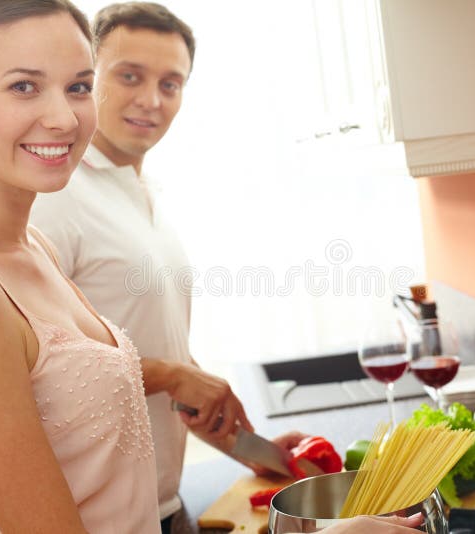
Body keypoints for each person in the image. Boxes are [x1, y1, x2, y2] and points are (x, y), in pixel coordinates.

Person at [0, 0, 425, 532]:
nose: (61, 117)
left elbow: (98, 397)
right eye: (24, 86)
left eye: (78, 86)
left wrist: (255, 451)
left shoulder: (33, 248)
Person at [29, 3, 298, 530]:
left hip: (162, 507)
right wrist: (175, 375)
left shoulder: (140, 193)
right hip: (94, 518)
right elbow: (37, 365)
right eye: (130, 76)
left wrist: (256, 451)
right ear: (86, 76)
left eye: (170, 84)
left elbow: (164, 363)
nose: (151, 100)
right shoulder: (56, 196)